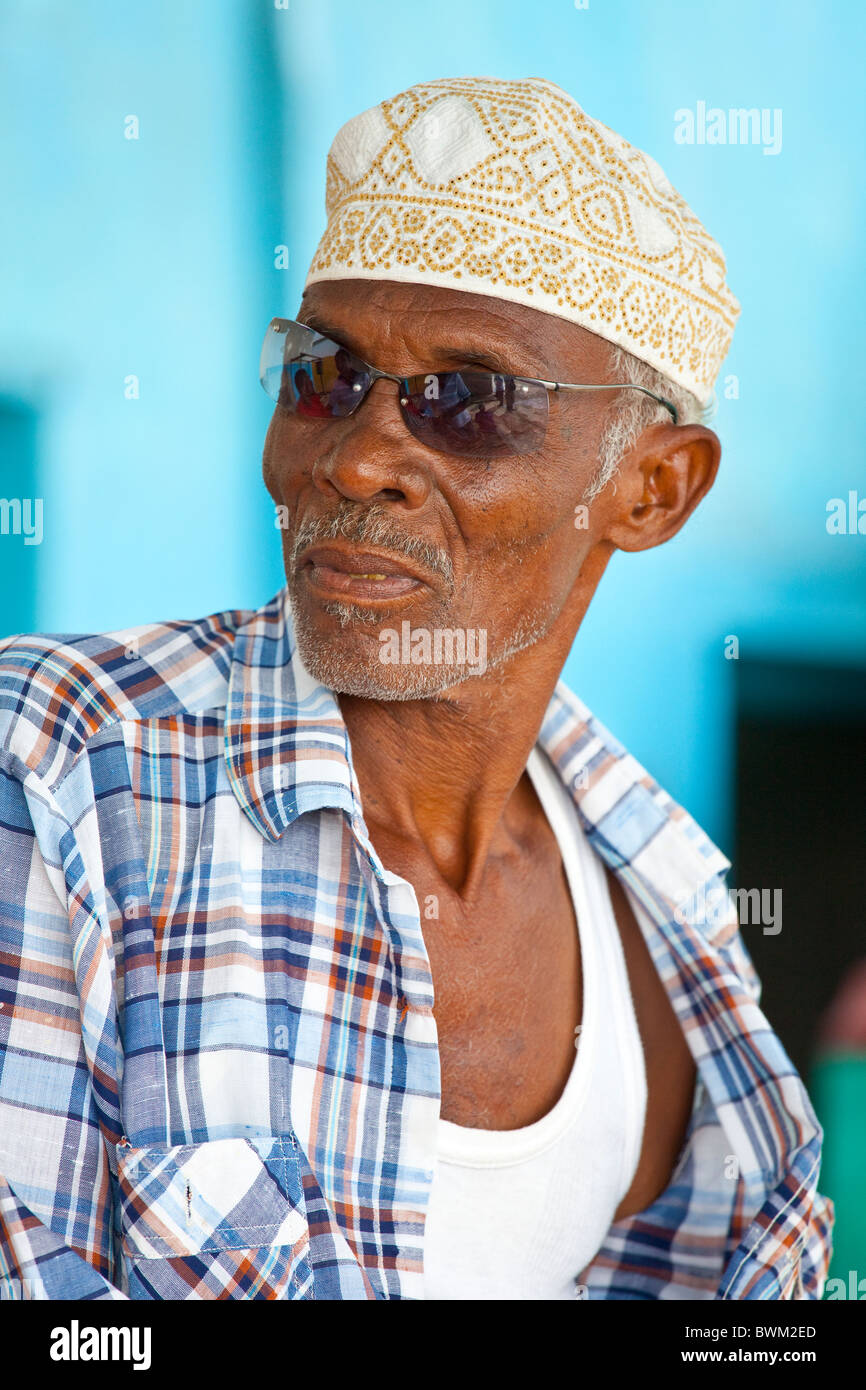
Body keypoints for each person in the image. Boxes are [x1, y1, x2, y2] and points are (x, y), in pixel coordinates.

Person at [0, 76, 832, 1300]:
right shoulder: (60, 772)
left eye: (470, 401)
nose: (357, 455)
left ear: (650, 489)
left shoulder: (671, 917)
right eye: (324, 375)